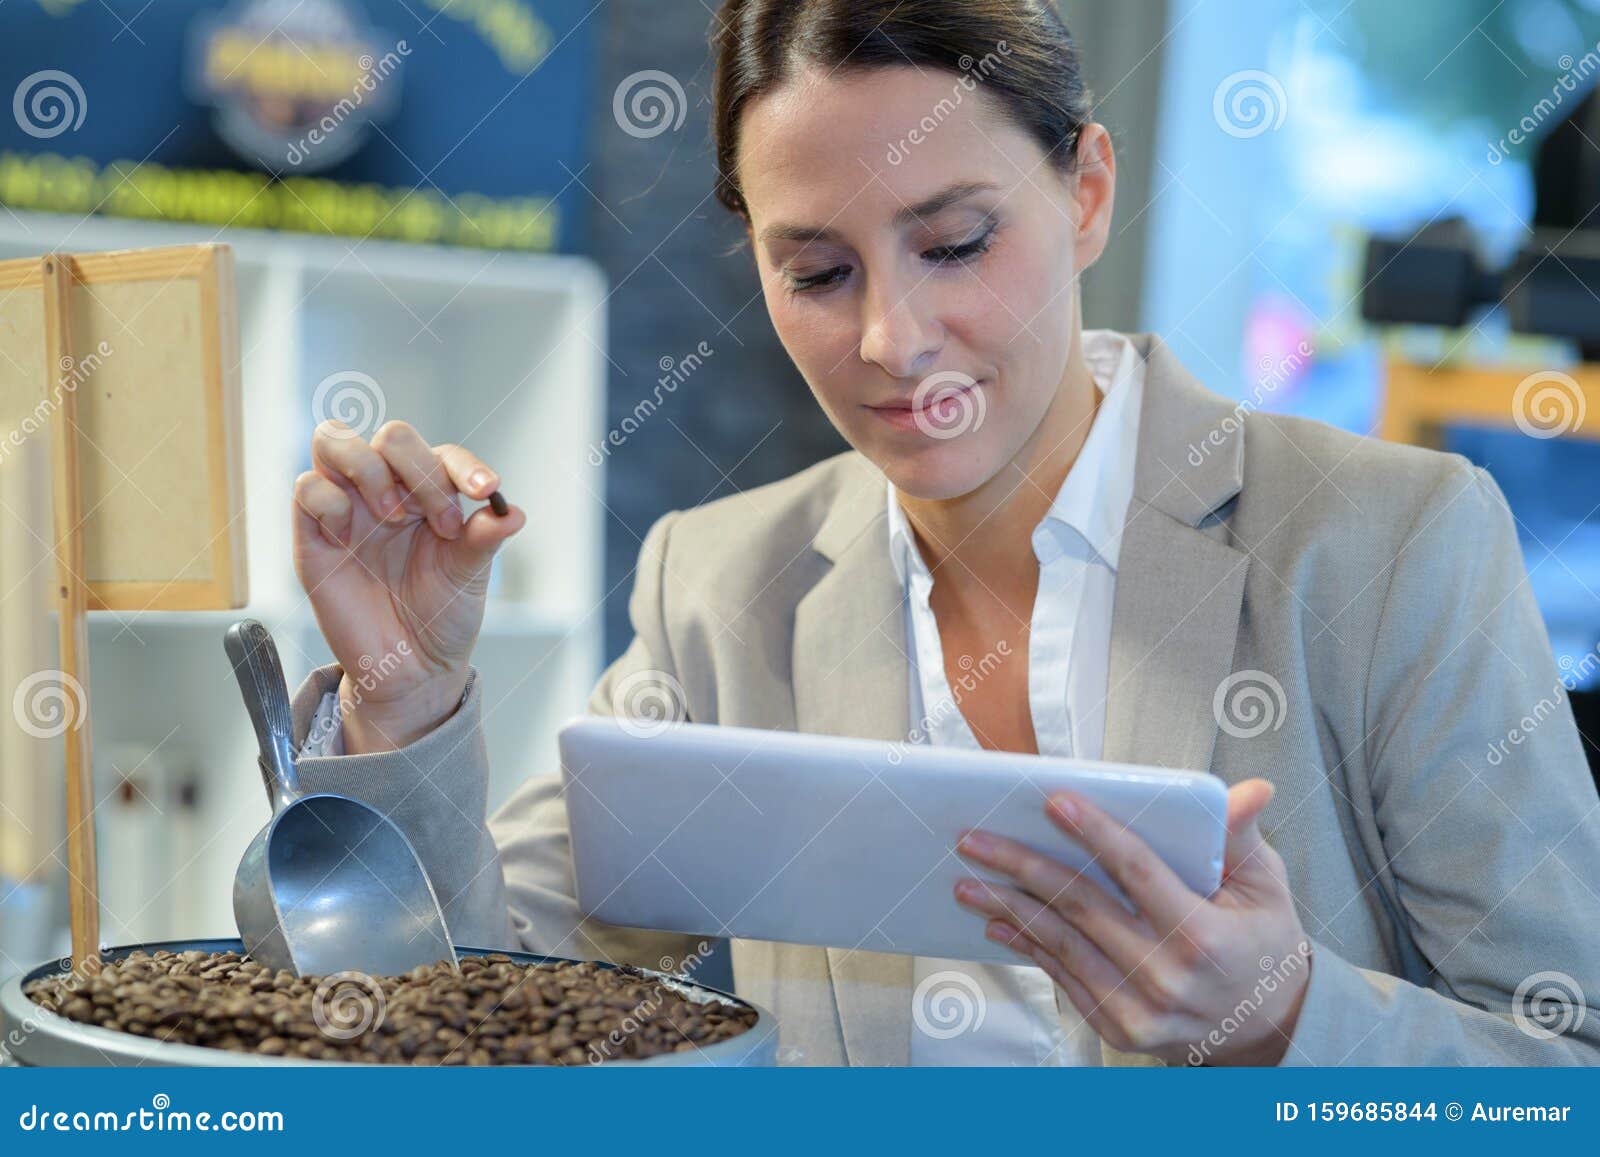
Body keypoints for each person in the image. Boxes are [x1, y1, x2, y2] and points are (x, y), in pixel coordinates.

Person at [287, 0, 1600, 1066]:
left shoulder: (1388, 543)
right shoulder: (724, 584)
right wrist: (406, 698)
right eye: (817, 271)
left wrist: (1291, 1019)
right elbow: (457, 1008)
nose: (891, 340)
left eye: (957, 243)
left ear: (1087, 190)